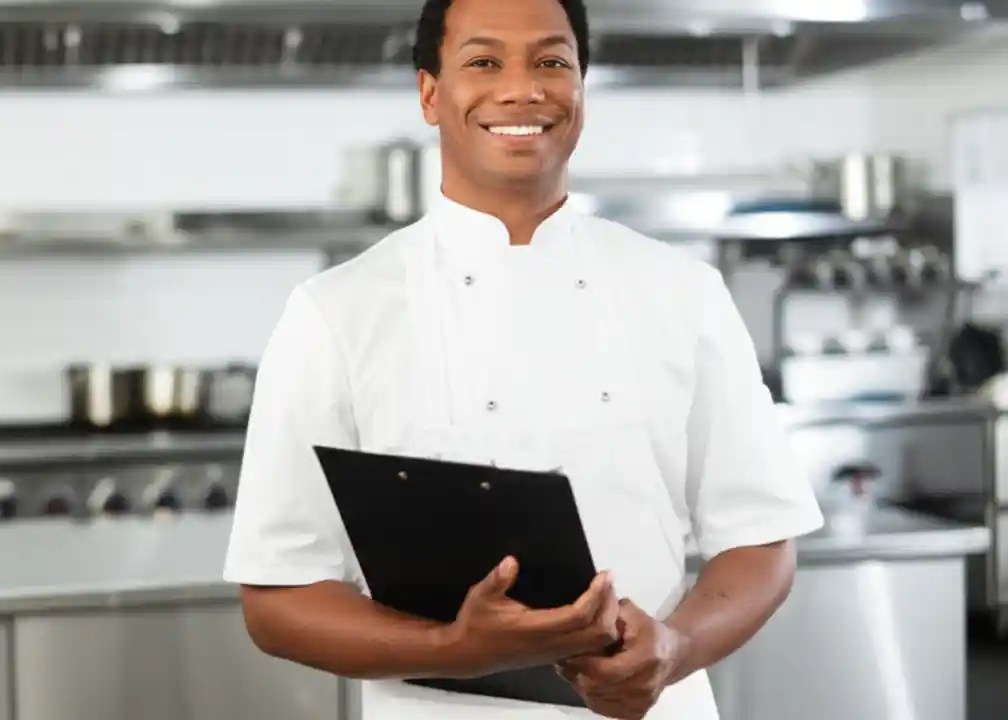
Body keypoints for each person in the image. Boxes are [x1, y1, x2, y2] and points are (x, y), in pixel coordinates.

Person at [222, 0, 824, 717]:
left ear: (581, 91)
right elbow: (277, 599)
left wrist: (675, 648)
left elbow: (760, 542)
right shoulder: (333, 312)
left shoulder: (684, 291)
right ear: (430, 93)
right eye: (483, 61)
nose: (522, 89)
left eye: (552, 62)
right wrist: (454, 648)